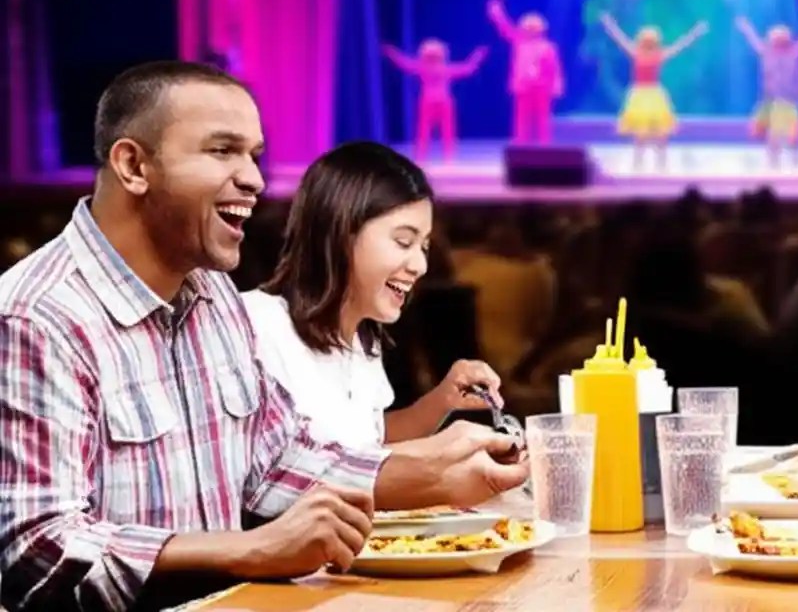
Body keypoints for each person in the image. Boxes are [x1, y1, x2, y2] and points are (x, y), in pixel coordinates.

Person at [0, 62, 529, 611]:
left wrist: (439, 472)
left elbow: (277, 460)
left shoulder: (214, 296)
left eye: (254, 155)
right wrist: (251, 551)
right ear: (134, 166)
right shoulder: (36, 317)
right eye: (223, 151)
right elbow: (37, 549)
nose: (254, 178)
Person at [243, 141, 504, 451]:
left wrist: (442, 401)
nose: (420, 266)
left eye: (424, 247)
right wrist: (438, 459)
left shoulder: (361, 341)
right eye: (403, 242)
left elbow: (370, 442)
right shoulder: (255, 327)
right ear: (341, 234)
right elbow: (293, 466)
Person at [599, 12, 709, 170]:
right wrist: (609, 24)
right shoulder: (636, 53)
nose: (648, 43)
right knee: (641, 133)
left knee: (661, 132)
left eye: (651, 41)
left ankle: (660, 162)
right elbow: (620, 39)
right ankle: (639, 163)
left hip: (653, 94)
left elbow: (680, 46)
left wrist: (695, 33)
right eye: (646, 40)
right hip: (640, 94)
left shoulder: (657, 55)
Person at [734, 17, 798, 169]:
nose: (778, 44)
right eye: (776, 40)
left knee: (785, 132)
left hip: (788, 99)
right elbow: (754, 40)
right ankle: (780, 157)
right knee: (767, 130)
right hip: (771, 98)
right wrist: (745, 27)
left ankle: (785, 158)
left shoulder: (793, 52)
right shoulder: (766, 52)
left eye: (781, 41)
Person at [381, 40, 488, 162]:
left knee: (436, 130)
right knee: (436, 130)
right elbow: (467, 68)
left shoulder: (427, 67)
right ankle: (439, 156)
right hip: (437, 101)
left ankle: (432, 156)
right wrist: (478, 56)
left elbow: (405, 64)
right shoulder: (433, 68)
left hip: (434, 101)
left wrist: (391, 53)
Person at [486, 0, 563, 145]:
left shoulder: (548, 47)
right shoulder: (519, 41)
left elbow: (554, 70)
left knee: (542, 119)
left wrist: (555, 86)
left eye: (533, 28)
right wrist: (496, 10)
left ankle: (544, 146)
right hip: (523, 85)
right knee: (522, 119)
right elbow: (504, 26)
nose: (530, 31)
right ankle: (521, 144)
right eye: (527, 28)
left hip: (542, 87)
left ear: (540, 29)